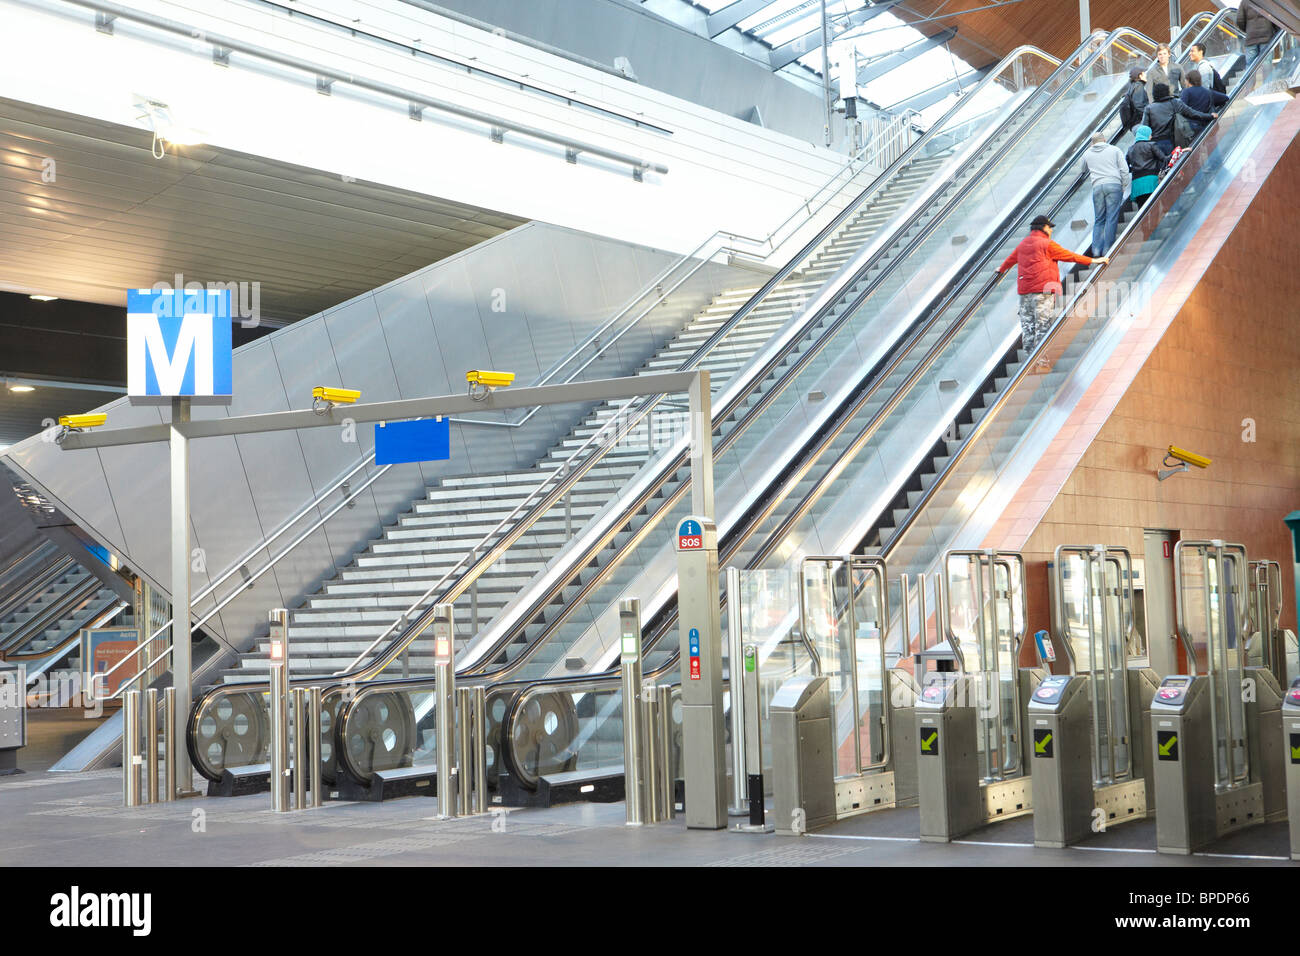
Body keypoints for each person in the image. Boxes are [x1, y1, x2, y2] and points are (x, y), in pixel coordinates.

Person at [996, 215, 1107, 360]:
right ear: (1043, 227)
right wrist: (1093, 260)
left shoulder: (1023, 244)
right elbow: (1069, 256)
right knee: (1042, 326)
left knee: (1028, 329)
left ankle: (1028, 364)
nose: (1051, 230)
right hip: (1043, 292)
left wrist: (1001, 269)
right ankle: (1040, 362)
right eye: (1049, 227)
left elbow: (1010, 260)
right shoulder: (1047, 244)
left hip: (1025, 293)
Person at [1082, 132, 1131, 256]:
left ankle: (1096, 250)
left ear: (1092, 143)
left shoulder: (1087, 153)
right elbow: (1124, 169)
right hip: (1114, 185)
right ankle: (1107, 249)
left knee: (1099, 219)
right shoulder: (1114, 150)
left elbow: (1082, 169)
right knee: (1111, 217)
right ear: (1104, 139)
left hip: (1097, 187)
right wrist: (1124, 185)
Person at [1142, 82, 1213, 154]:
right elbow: (1193, 114)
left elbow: (1144, 128)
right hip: (1174, 141)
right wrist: (1210, 116)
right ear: (1167, 92)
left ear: (1154, 94)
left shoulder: (1149, 108)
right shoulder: (1175, 103)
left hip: (1155, 144)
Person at [1126, 125, 1168, 209]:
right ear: (1146, 134)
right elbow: (1164, 159)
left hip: (1137, 184)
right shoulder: (1151, 145)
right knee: (1155, 207)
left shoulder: (1130, 149)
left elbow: (1125, 167)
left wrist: (1134, 170)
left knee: (1142, 210)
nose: (1151, 136)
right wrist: (1178, 152)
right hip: (1151, 181)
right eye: (1150, 134)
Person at [1180, 70, 1228, 137]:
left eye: (1185, 80)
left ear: (1188, 80)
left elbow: (1182, 108)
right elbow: (1225, 98)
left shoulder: (1186, 92)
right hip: (1208, 123)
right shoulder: (1207, 92)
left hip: (1192, 125)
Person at [1119, 65, 1150, 132]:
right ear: (1140, 76)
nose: (1146, 75)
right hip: (1140, 124)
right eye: (1144, 73)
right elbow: (1139, 105)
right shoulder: (1138, 86)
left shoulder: (1132, 86)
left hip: (1136, 124)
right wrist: (1151, 116)